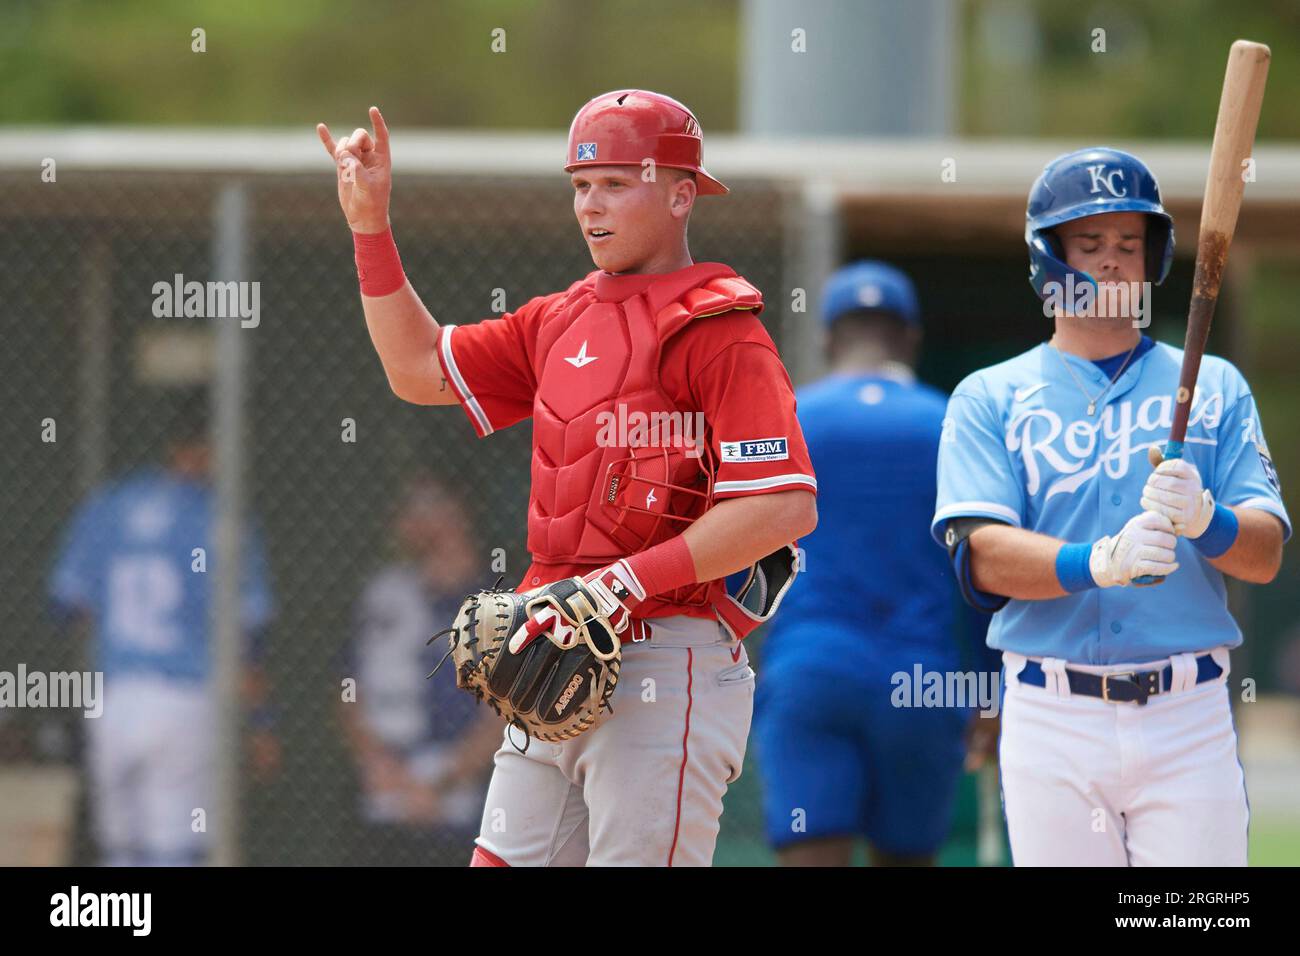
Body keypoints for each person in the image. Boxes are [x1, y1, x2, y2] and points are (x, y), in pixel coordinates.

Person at [318, 90, 818, 866]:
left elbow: (780, 505)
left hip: (664, 660)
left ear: (682, 193)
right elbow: (417, 369)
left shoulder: (721, 330)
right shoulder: (560, 317)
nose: (591, 205)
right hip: (552, 653)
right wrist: (370, 228)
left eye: (617, 183)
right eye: (581, 186)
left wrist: (613, 586)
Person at [933, 147, 1289, 866]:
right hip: (1051, 711)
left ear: (1152, 257)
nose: (1112, 262)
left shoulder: (1214, 387)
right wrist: (1098, 561)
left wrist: (1207, 521)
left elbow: (1266, 556)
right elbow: (984, 555)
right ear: (1049, 258)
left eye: (1129, 244)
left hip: (1188, 710)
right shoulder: (990, 396)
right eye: (1089, 244)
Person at [755, 261, 995, 867]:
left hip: (812, 669)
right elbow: (984, 566)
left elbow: (741, 562)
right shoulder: (951, 422)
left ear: (830, 338)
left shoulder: (787, 418)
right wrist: (989, 690)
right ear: (910, 338)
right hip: (921, 682)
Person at [47, 389, 277, 865]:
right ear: (207, 448)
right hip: (184, 698)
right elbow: (246, 638)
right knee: (174, 848)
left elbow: (69, 607)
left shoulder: (110, 504)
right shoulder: (223, 520)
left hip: (112, 698)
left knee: (120, 848)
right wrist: (260, 723)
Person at [339, 475, 503, 865]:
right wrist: (379, 766)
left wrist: (440, 784)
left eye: (422, 504)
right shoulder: (385, 590)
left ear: (457, 513)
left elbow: (505, 713)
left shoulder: (495, 603)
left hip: (462, 807)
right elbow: (347, 686)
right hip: (384, 799)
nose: (404, 518)